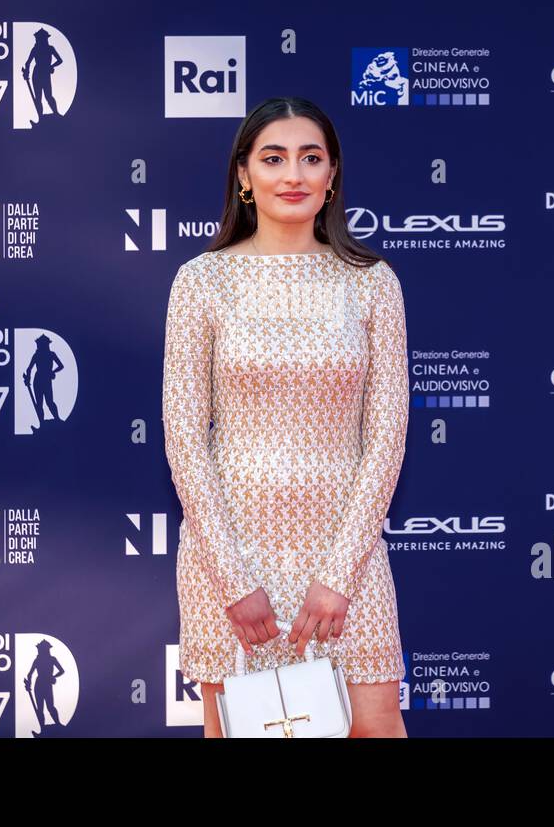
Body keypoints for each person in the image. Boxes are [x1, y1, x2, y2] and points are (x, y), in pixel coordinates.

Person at [162, 96, 410, 738]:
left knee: (376, 725)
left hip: (346, 559)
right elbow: (185, 439)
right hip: (232, 559)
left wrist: (337, 576)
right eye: (273, 158)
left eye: (311, 157)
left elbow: (386, 438)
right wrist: (234, 579)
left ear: (333, 176)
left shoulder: (373, 281)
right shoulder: (200, 282)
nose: (292, 174)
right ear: (244, 175)